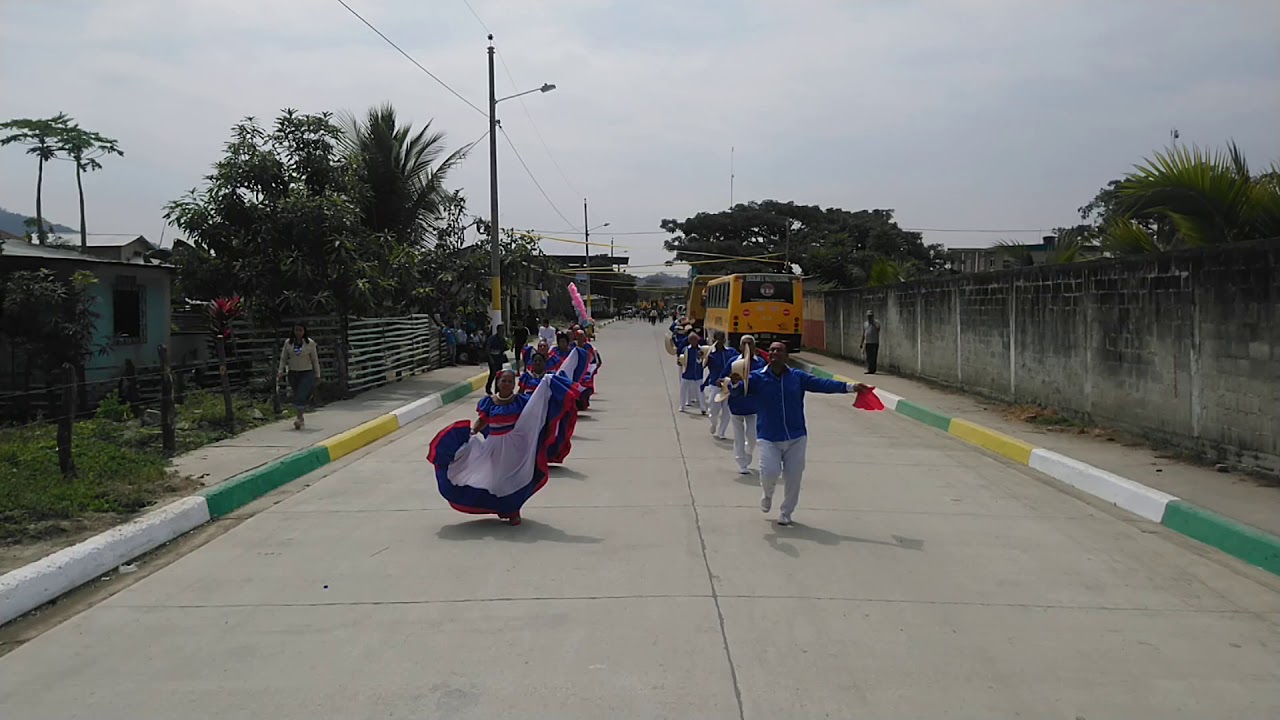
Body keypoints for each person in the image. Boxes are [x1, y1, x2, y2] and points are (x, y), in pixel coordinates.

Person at [730, 341, 867, 525]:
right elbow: (739, 390)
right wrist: (733, 385)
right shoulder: (757, 378)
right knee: (769, 473)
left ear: (787, 356)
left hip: (796, 437)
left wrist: (850, 387)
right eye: (771, 350)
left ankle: (786, 512)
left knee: (793, 477)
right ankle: (767, 493)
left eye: (779, 350)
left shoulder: (797, 377)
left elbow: (822, 384)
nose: (774, 353)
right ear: (767, 355)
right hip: (768, 437)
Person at [428, 367, 581, 526]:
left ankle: (513, 511)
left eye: (510, 381)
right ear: (498, 383)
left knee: (513, 479)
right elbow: (482, 421)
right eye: (504, 381)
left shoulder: (522, 401)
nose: (507, 384)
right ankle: (501, 507)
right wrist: (473, 432)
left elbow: (537, 410)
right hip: (494, 447)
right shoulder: (489, 402)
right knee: (496, 481)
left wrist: (548, 383)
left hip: (515, 447)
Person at [725, 335, 767, 474]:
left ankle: (748, 453)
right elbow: (723, 378)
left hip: (753, 405)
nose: (747, 346)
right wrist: (728, 383)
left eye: (750, 344)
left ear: (754, 347)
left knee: (752, 435)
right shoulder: (733, 362)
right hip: (736, 404)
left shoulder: (760, 363)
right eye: (744, 344)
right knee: (738, 437)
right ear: (740, 346)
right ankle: (742, 463)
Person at [278, 322, 321, 430]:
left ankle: (299, 417)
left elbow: (314, 359)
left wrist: (317, 374)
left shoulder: (309, 343)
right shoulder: (288, 343)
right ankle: (301, 416)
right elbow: (284, 358)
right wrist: (280, 371)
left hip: (306, 372)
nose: (298, 333)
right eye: (296, 330)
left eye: (300, 330)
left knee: (301, 394)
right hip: (293, 372)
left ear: (304, 331)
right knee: (297, 394)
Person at [702, 330, 738, 439]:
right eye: (717, 339)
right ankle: (713, 423)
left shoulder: (731, 352)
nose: (719, 342)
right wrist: (701, 357)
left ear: (724, 340)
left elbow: (741, 361)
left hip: (728, 385)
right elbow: (701, 364)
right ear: (713, 340)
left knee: (726, 410)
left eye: (721, 339)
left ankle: (721, 432)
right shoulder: (710, 354)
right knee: (713, 408)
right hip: (715, 385)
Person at [679, 333, 707, 415]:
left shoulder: (701, 350)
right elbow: (682, 360)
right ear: (689, 341)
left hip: (698, 375)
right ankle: (682, 406)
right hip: (687, 374)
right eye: (691, 340)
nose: (693, 342)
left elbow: (704, 361)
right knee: (683, 390)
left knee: (701, 392)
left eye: (695, 340)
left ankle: (703, 408)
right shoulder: (686, 349)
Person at [485, 325, 509, 395]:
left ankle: (497, 389)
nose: (502, 331)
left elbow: (504, 348)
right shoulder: (492, 338)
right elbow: (488, 349)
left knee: (499, 375)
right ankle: (488, 388)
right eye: (501, 330)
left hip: (499, 358)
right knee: (493, 374)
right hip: (493, 357)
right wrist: (490, 358)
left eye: (503, 330)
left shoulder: (503, 339)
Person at [861, 310, 881, 374]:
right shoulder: (865, 323)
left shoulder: (876, 322)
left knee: (874, 356)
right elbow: (864, 333)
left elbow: (878, 329)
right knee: (868, 357)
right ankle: (870, 369)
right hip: (867, 342)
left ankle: (873, 369)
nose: (869, 317)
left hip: (874, 342)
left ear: (873, 316)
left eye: (870, 316)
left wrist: (873, 323)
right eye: (868, 316)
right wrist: (861, 342)